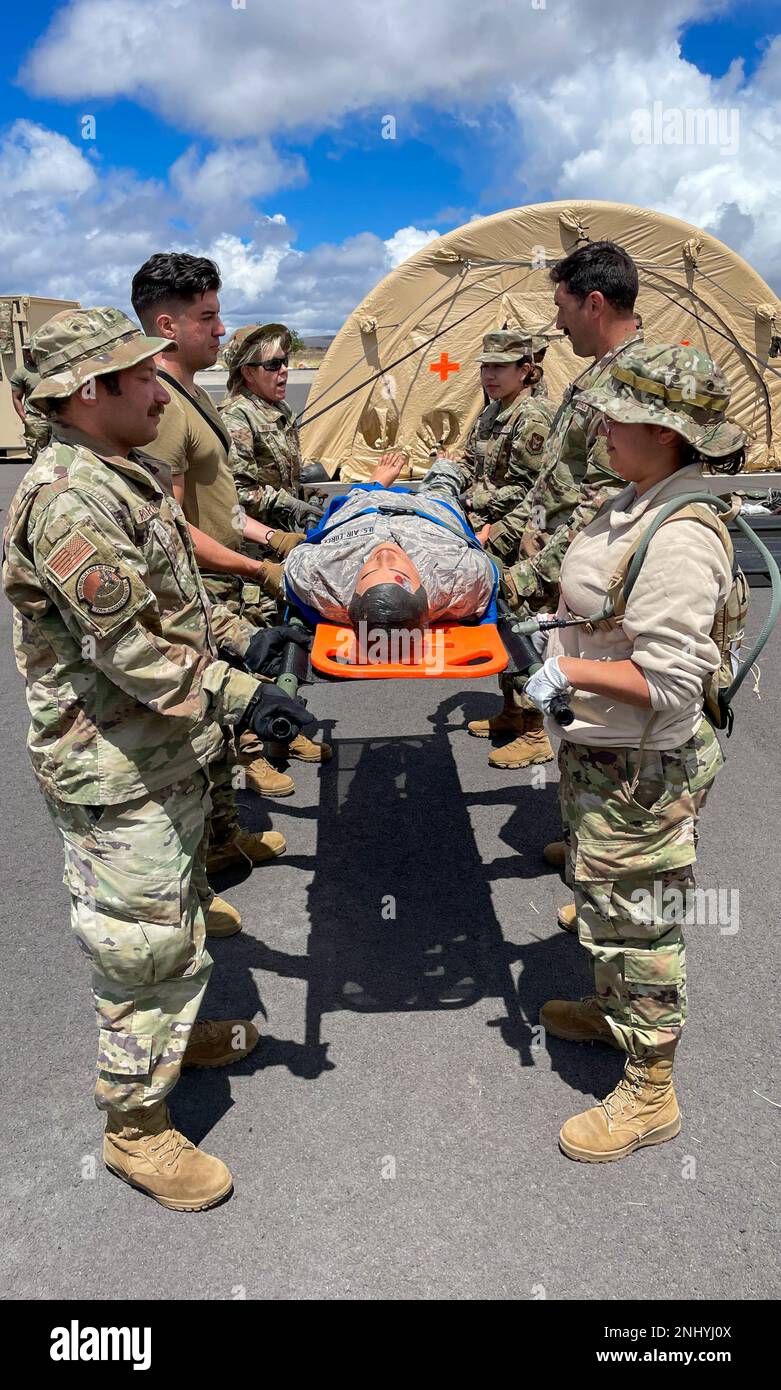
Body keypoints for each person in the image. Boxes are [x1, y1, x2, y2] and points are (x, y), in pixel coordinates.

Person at [2, 307, 314, 1209]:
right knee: (136, 946)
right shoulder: (68, 500)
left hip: (157, 750)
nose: (161, 386)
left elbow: (171, 606)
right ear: (88, 392)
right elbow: (131, 651)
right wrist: (239, 692)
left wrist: (240, 645)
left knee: (174, 915)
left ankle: (169, 1048)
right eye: (142, 377)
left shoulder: (124, 474)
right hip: (112, 761)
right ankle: (134, 1129)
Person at [523, 342, 745, 1162]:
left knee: (643, 925)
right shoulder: (636, 499)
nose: (600, 424)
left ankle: (650, 1088)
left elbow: (673, 683)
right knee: (609, 900)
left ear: (661, 430)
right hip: (603, 756)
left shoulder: (682, 535)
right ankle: (616, 1013)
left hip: (640, 769)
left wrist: (565, 668)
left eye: (615, 413)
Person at [132, 252, 329, 832]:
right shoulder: (165, 407)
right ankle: (219, 841)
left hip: (227, 575)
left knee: (233, 705)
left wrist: (275, 539)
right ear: (168, 326)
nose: (221, 329)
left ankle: (226, 837)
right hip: (206, 589)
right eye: (209, 317)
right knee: (211, 716)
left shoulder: (190, 397)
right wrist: (253, 568)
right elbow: (168, 526)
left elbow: (225, 506)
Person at [469, 242, 643, 771]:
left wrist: (534, 569)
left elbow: (605, 502)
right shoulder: (596, 375)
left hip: (583, 561)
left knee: (577, 669)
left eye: (562, 308)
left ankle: (601, 834)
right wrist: (520, 541)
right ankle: (583, 829)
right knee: (531, 637)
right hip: (548, 543)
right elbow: (555, 483)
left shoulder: (629, 382)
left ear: (593, 304)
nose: (558, 324)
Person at [284, 452, 497, 630]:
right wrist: (472, 544)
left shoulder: (321, 578)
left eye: (368, 572)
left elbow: (294, 561)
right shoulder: (458, 578)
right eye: (400, 574)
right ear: (423, 593)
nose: (385, 554)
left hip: (365, 510)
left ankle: (375, 484)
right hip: (431, 515)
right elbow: (482, 565)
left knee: (359, 496)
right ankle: (444, 462)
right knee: (444, 484)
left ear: (353, 594)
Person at [219, 322, 322, 533]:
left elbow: (275, 476)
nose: (284, 370)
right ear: (248, 373)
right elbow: (239, 493)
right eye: (273, 364)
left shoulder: (280, 408)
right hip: (255, 546)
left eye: (284, 361)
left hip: (282, 532)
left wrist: (303, 494)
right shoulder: (237, 416)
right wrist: (292, 505)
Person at [460, 328, 554, 534]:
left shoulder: (531, 417)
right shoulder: (492, 411)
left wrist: (470, 501)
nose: (489, 375)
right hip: (477, 513)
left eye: (499, 367)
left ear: (523, 370)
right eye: (485, 367)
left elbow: (527, 490)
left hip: (508, 524)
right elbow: (469, 464)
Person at [10, 346, 51, 461]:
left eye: (29, 350)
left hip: (55, 417)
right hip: (36, 420)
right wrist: (25, 418)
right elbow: (16, 398)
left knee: (59, 454)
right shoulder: (20, 373)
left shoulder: (51, 367)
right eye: (25, 351)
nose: (27, 353)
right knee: (38, 457)